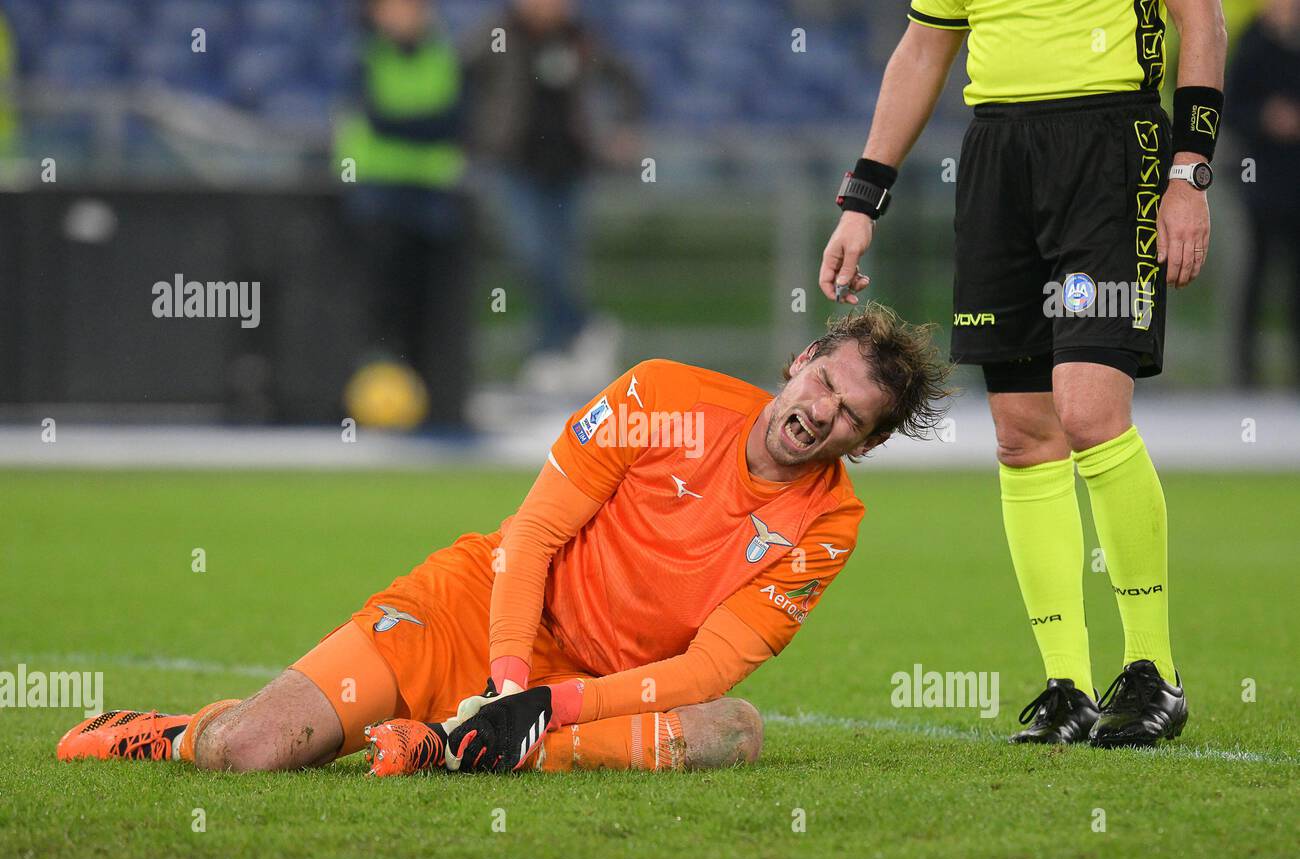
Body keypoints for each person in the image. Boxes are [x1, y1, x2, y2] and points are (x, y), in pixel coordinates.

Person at [57, 304, 951, 775]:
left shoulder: (829, 525)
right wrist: (510, 681)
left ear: (863, 445)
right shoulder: (662, 394)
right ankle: (170, 736)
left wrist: (549, 708)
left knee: (733, 730)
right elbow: (531, 535)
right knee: (250, 751)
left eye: (848, 415)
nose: (818, 413)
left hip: (595, 690)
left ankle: (442, 746)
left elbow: (709, 672)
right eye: (824, 382)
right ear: (800, 361)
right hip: (478, 609)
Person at [820, 1, 1228, 746]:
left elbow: (1201, 18)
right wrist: (862, 199)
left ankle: (1152, 671)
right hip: (998, 159)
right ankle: (1067, 685)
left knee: (1088, 409)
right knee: (1020, 435)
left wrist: (1189, 173)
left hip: (1112, 147)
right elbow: (922, 49)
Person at [462, 0, 643, 394]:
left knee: (561, 263)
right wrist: (474, 138)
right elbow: (458, 80)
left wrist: (623, 128)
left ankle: (550, 352)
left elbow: (625, 78)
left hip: (569, 169)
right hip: (516, 165)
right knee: (531, 255)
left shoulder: (580, 38)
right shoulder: (496, 36)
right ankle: (581, 330)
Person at [336, 0, 473, 428]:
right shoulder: (362, 56)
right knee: (380, 302)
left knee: (431, 305)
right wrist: (425, 127)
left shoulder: (444, 54)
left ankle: (433, 404)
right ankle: (367, 397)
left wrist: (412, 125)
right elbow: (381, 120)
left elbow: (453, 121)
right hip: (378, 193)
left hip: (432, 194)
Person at [1227, 0, 1300, 389]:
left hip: (1295, 182)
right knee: (1256, 276)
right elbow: (1233, 108)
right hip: (1261, 183)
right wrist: (1265, 118)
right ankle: (1246, 374)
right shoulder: (1251, 44)